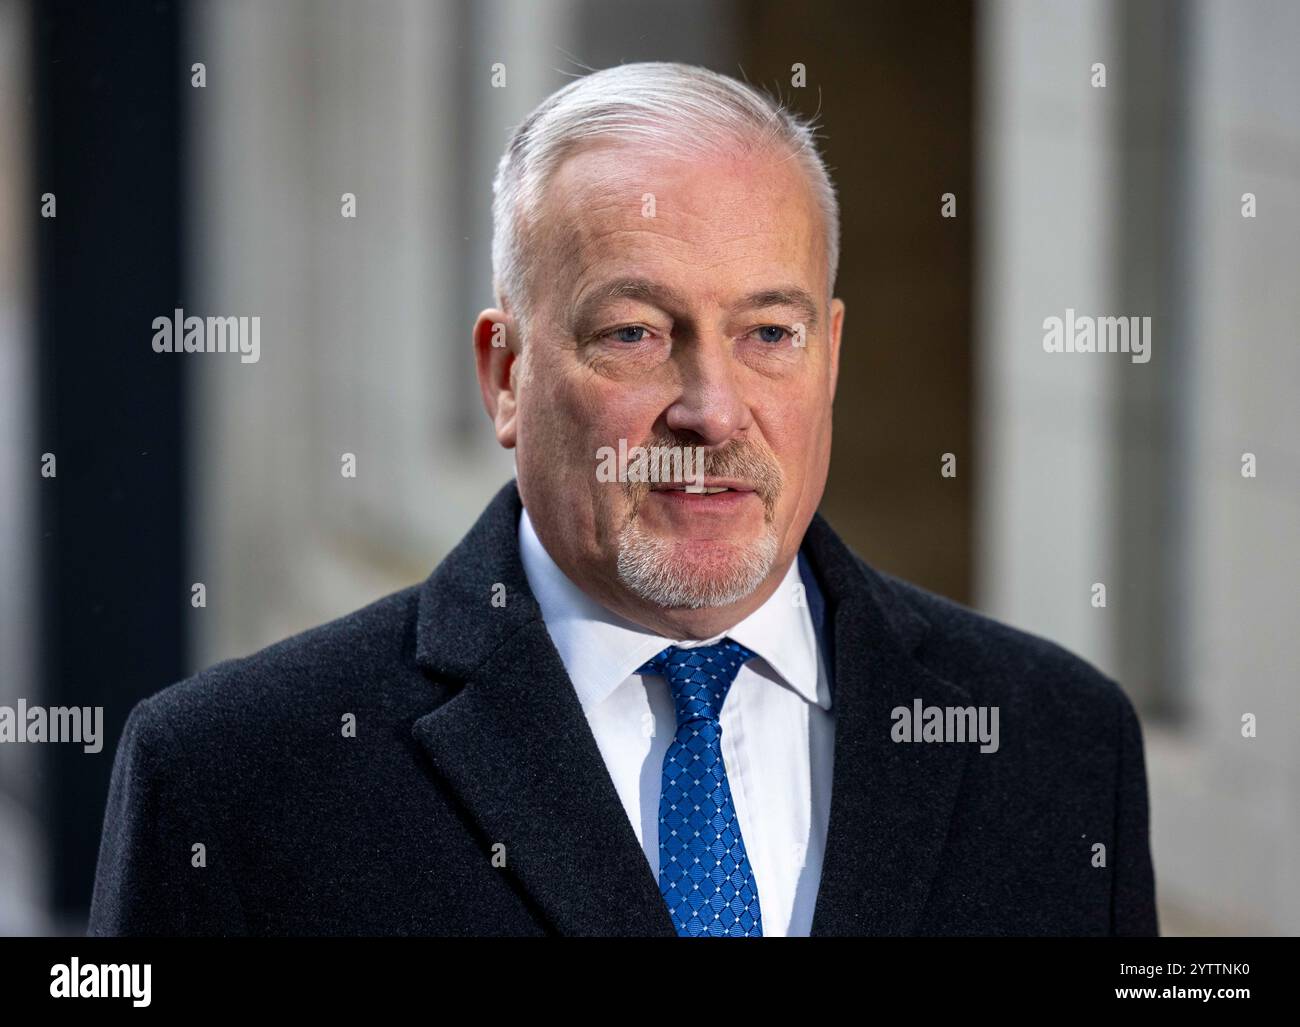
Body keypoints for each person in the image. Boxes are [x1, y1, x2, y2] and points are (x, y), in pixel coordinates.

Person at [89, 62, 1157, 937]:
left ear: (830, 358)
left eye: (767, 335)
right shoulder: (235, 778)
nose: (710, 410)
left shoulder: (1059, 747)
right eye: (635, 333)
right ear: (506, 374)